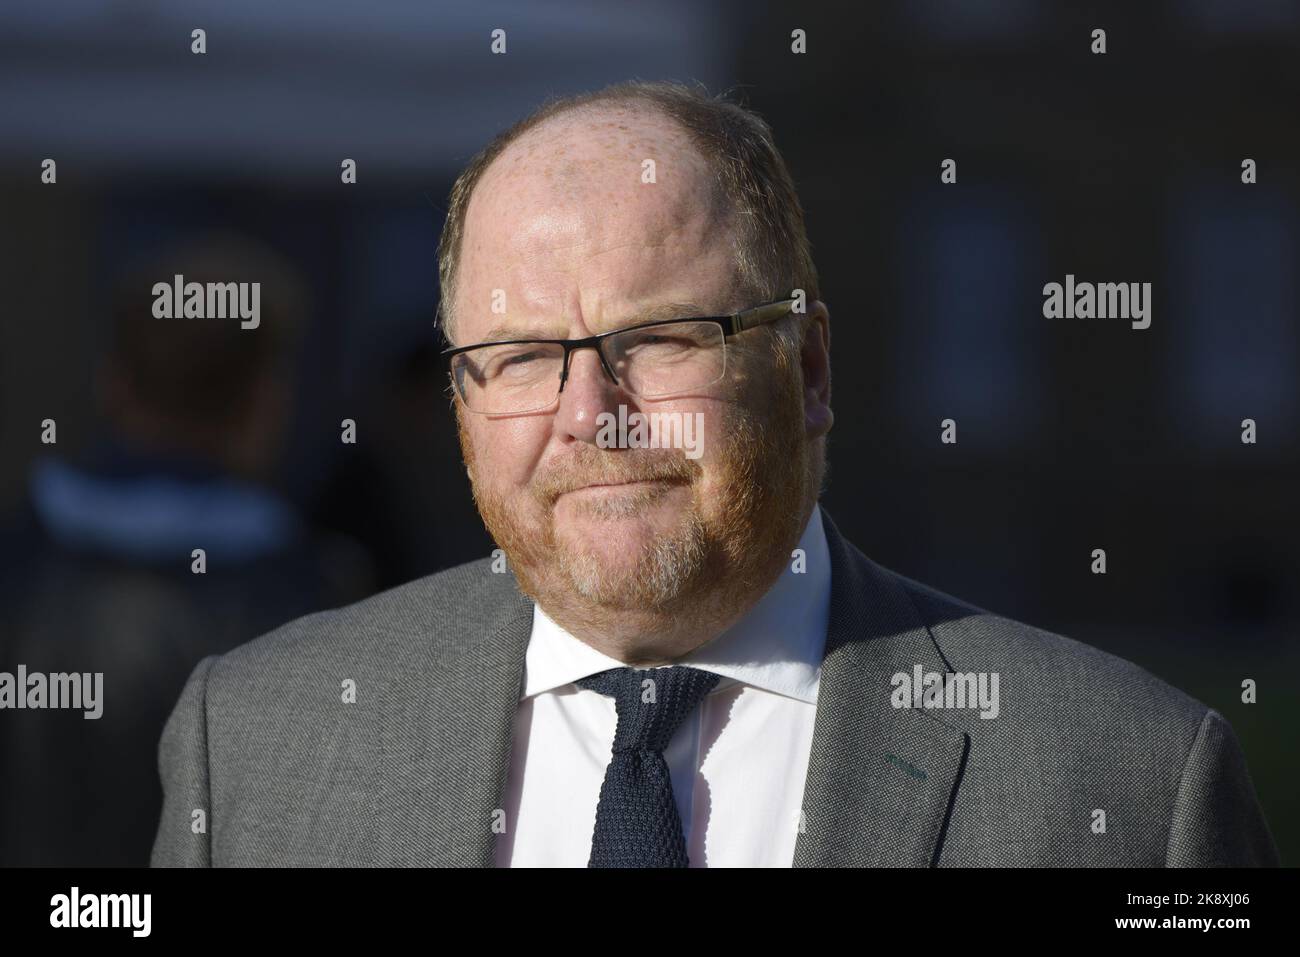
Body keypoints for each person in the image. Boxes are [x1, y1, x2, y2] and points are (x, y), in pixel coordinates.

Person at [151, 81, 1279, 867]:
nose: (590, 414)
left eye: (660, 337)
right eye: (522, 357)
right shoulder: (255, 741)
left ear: (810, 366)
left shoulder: (1126, 783)